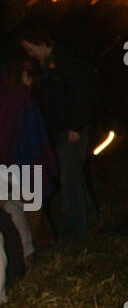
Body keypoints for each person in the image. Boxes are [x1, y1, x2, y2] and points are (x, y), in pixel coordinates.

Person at [17, 24, 102, 242]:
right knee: (73, 174)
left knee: (69, 178)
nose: (30, 53)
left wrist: (76, 125)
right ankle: (90, 216)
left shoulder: (65, 60)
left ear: (39, 43)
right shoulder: (47, 65)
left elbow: (82, 93)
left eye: (30, 48)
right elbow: (51, 96)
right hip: (61, 128)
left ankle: (77, 231)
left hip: (72, 129)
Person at [0, 57, 57, 261]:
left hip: (6, 166)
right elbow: (33, 133)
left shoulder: (5, 94)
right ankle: (33, 254)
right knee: (30, 210)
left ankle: (28, 253)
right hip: (26, 163)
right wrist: (44, 161)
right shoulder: (22, 97)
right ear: (24, 74)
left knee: (16, 208)